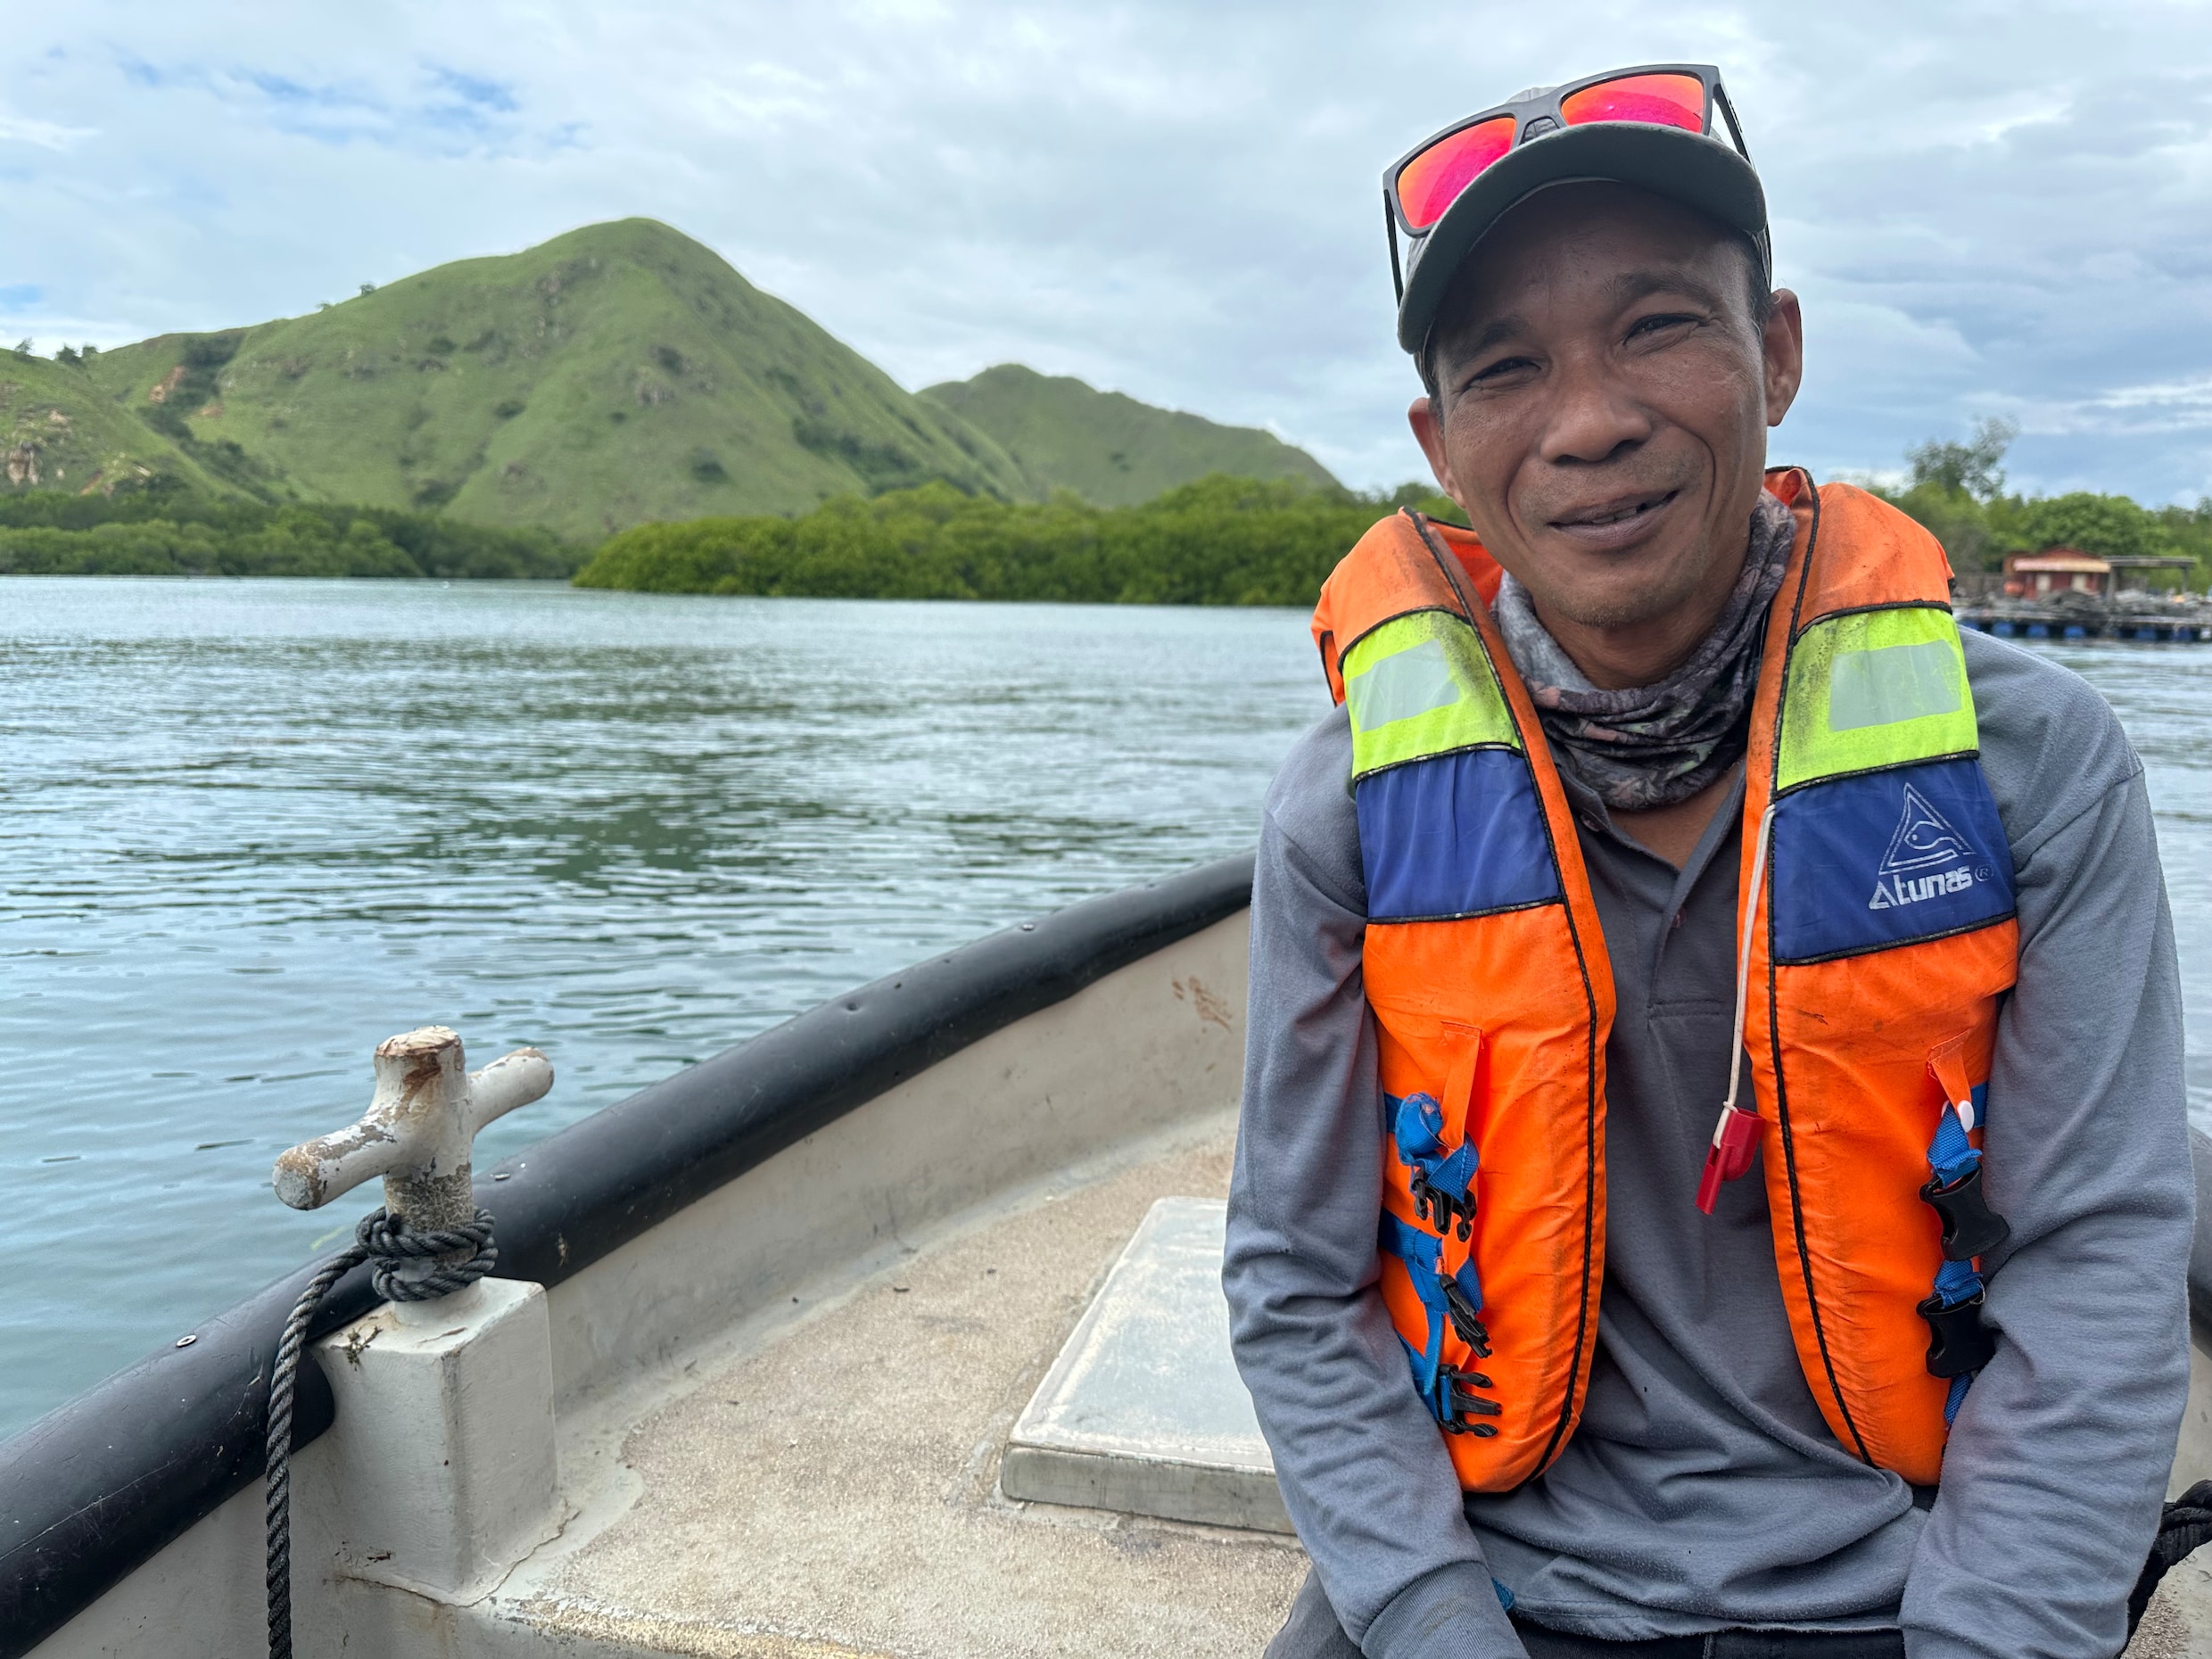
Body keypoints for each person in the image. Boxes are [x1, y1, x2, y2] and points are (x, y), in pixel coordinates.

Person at [1223, 64, 2194, 1659]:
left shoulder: (2031, 764)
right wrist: (1426, 1617)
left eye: (1660, 325)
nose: (1591, 420)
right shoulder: (1345, 815)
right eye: (1507, 368)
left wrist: (1993, 1632)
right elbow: (1293, 1281)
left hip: (1913, 1583)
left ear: (1782, 354)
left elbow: (2096, 1262)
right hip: (1489, 1589)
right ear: (1442, 443)